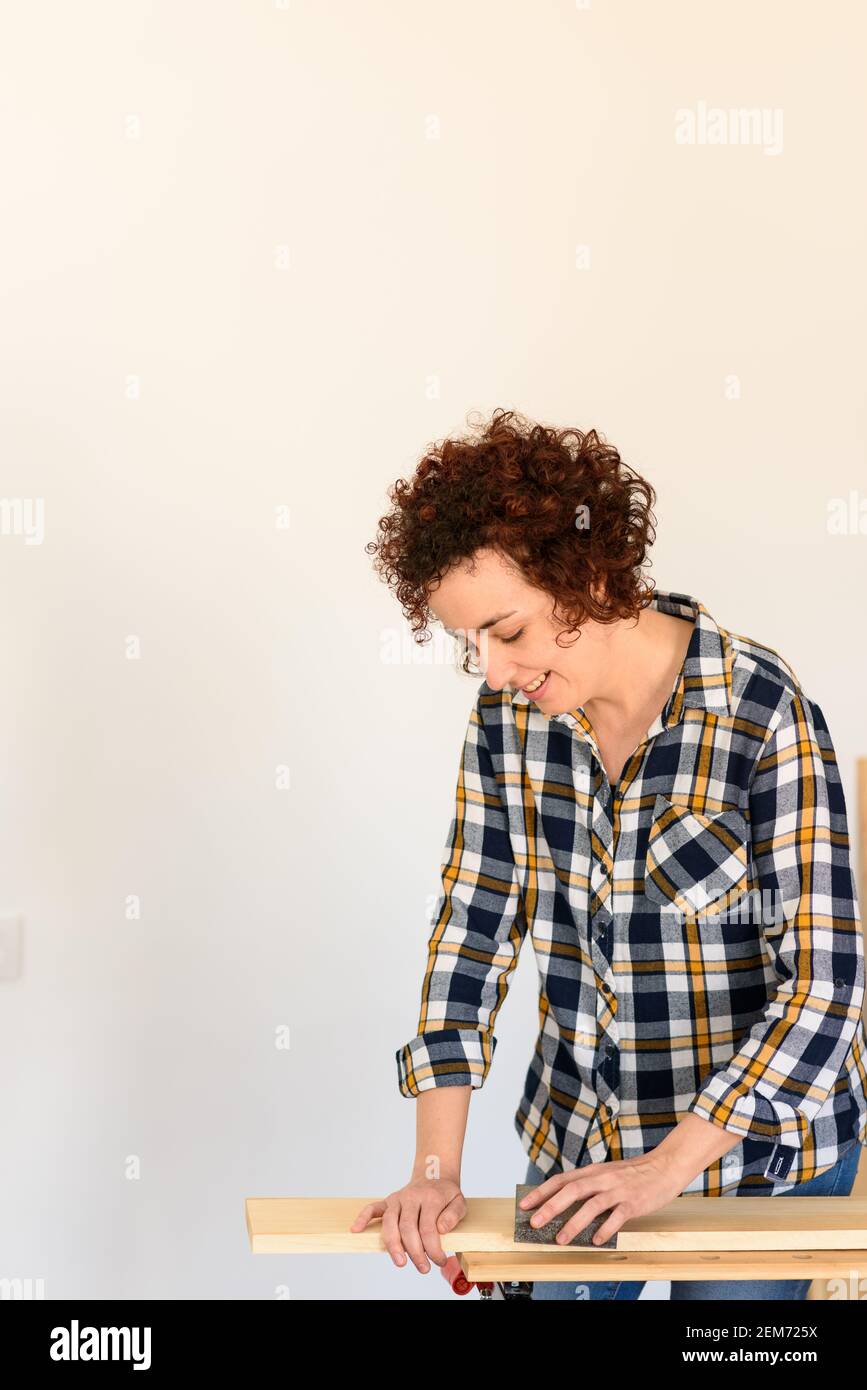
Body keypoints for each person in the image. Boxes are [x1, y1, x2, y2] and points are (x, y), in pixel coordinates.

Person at [351, 408, 867, 1299]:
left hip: (751, 1164)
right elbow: (470, 936)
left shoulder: (760, 711)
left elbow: (824, 986)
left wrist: (666, 1166)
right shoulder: (508, 721)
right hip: (577, 1150)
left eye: (505, 632)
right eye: (471, 645)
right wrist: (436, 1168)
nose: (495, 669)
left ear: (587, 578)